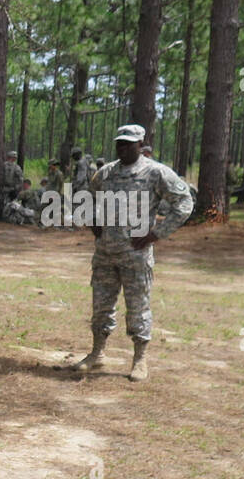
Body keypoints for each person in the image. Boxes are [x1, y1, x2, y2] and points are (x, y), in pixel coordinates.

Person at [70, 123, 192, 382]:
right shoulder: (105, 173)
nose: (122, 147)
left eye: (128, 143)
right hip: (105, 254)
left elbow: (184, 202)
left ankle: (140, 359)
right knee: (101, 306)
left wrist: (156, 233)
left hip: (135, 256)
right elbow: (88, 198)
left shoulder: (155, 172)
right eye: (119, 143)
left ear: (140, 144)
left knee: (137, 308)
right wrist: (93, 222)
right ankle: (97, 354)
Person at [0, 151, 24, 219]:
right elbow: (21, 179)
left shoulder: (6, 166)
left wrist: (17, 188)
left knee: (9, 204)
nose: (14, 159)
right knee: (10, 204)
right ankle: (7, 217)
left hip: (10, 189)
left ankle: (8, 217)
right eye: (14, 157)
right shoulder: (13, 167)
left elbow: (20, 179)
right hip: (9, 189)